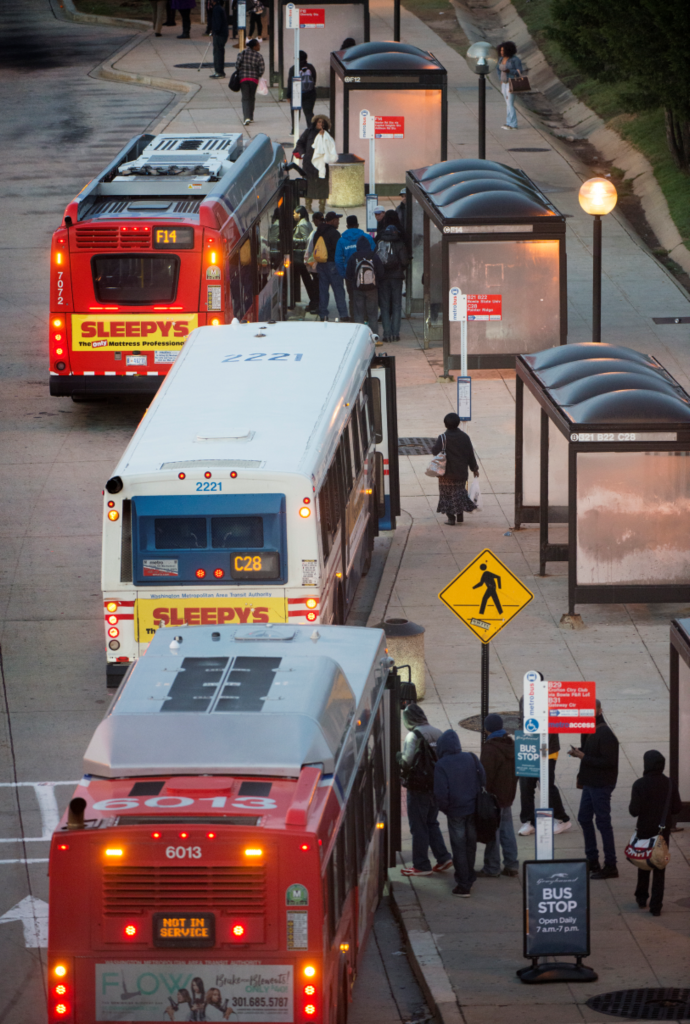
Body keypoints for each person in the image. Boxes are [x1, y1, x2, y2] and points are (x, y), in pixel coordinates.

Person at [396, 703, 453, 877]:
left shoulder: (413, 736)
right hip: (435, 786)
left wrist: (397, 756)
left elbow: (406, 761)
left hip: (419, 787)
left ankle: (421, 865)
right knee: (431, 822)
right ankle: (443, 857)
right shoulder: (438, 732)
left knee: (418, 826)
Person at [568, 699, 619, 879]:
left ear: (599, 710)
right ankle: (593, 860)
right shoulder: (588, 729)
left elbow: (609, 762)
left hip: (601, 784)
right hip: (590, 783)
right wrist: (579, 752)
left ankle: (611, 865)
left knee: (603, 822)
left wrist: (583, 756)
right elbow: (592, 753)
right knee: (584, 818)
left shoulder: (604, 733)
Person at [629, 750, 681, 916]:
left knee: (644, 863)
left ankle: (642, 897)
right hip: (662, 832)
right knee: (660, 866)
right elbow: (677, 808)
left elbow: (633, 811)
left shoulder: (639, 784)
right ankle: (656, 906)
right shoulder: (670, 784)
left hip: (644, 830)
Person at [434, 729, 485, 896]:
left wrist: (446, 808)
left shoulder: (441, 764)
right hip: (473, 809)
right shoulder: (470, 757)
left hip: (455, 811)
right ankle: (469, 877)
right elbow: (483, 778)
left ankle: (463, 884)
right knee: (470, 846)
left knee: (459, 848)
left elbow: (440, 793)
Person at [478, 714, 519, 878]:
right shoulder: (511, 745)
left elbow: (485, 777)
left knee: (492, 832)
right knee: (507, 830)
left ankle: (492, 867)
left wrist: (483, 794)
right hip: (507, 795)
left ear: (487, 728)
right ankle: (511, 864)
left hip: (494, 798)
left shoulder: (490, 749)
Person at [517, 719, 571, 836]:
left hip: (547, 749)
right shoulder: (524, 700)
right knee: (525, 786)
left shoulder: (549, 701)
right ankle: (529, 821)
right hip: (528, 747)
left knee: (546, 786)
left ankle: (561, 819)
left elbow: (553, 722)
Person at [430, 412, 479, 525]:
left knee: (447, 496)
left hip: (446, 474)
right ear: (457, 423)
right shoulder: (465, 437)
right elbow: (470, 454)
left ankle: (451, 518)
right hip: (461, 472)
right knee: (459, 493)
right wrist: (474, 468)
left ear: (445, 424)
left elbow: (434, 451)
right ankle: (460, 514)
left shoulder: (443, 438)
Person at [313, 211, 349, 322]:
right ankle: (343, 314)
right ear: (332, 221)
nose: (338, 222)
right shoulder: (334, 233)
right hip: (333, 264)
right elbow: (339, 251)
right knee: (338, 290)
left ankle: (323, 314)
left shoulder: (318, 232)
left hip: (321, 264)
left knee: (323, 290)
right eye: (337, 220)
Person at [376, 222, 409, 342]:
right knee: (396, 306)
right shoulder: (400, 244)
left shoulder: (380, 243)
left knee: (384, 306)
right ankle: (395, 334)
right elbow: (405, 261)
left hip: (383, 278)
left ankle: (387, 334)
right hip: (396, 278)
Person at [294, 115, 333, 215]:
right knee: (308, 184)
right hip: (309, 164)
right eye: (319, 122)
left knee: (322, 184)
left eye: (323, 123)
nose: (321, 124)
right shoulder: (308, 132)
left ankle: (322, 208)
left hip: (322, 163)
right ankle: (308, 207)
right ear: (315, 123)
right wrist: (303, 154)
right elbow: (300, 143)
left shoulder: (327, 134)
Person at [336, 215, 374, 311]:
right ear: (357, 225)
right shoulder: (367, 237)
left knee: (352, 298)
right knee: (367, 297)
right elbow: (374, 254)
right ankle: (365, 319)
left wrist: (344, 274)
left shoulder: (341, 241)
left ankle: (354, 320)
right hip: (366, 273)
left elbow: (338, 260)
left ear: (347, 226)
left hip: (350, 275)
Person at [347, 235, 383, 336]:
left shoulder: (354, 256)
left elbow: (348, 274)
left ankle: (359, 337)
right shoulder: (374, 256)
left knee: (359, 314)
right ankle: (374, 336)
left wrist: (354, 282)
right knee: (372, 314)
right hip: (372, 289)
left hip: (358, 289)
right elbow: (381, 272)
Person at [293, 206, 319, 314]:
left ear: (300, 214)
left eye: (295, 213)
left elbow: (305, 239)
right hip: (304, 255)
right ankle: (314, 300)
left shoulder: (302, 224)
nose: (293, 215)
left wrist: (292, 239)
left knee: (307, 280)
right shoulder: (307, 223)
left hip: (301, 255)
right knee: (308, 280)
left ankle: (314, 301)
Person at [235, 38, 264, 125]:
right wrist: (258, 75)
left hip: (243, 79)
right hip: (254, 79)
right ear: (254, 46)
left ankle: (246, 117)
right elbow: (261, 68)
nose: (259, 46)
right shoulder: (258, 56)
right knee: (252, 97)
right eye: (258, 45)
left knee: (245, 98)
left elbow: (237, 65)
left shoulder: (242, 54)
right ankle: (250, 117)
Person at [497, 41, 524, 131]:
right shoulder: (501, 59)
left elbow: (519, 71)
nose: (501, 52)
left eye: (503, 50)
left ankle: (513, 124)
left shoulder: (515, 60)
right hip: (504, 83)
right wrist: (500, 79)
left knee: (510, 104)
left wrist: (510, 71)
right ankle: (509, 122)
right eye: (500, 50)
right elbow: (498, 69)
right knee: (507, 104)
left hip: (511, 82)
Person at [287, 51, 317, 126]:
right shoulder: (310, 67)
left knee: (295, 113)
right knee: (309, 113)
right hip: (310, 93)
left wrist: (288, 95)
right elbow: (314, 79)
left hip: (296, 93)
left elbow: (290, 83)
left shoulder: (293, 68)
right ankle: (311, 129)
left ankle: (294, 129)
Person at [208, 0, 229, 78]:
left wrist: (215, 31)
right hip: (221, 34)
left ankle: (219, 71)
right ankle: (218, 71)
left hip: (219, 35)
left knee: (218, 53)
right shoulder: (218, 8)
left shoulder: (217, 9)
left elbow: (217, 23)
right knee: (218, 52)